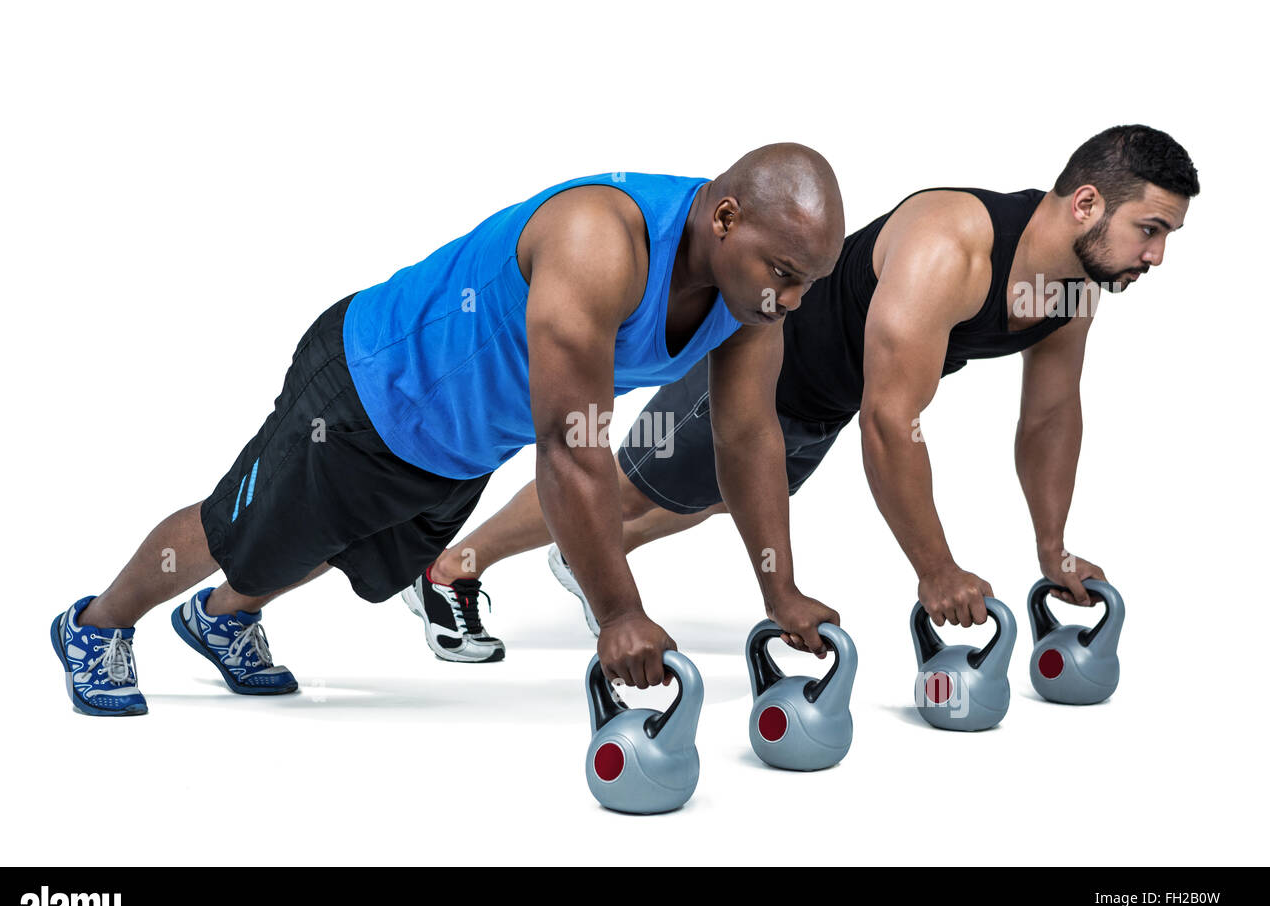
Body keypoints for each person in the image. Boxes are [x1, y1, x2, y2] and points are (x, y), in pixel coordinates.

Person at [51, 144, 846, 716]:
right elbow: (574, 448)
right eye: (783, 273)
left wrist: (781, 592)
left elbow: (748, 440)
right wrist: (617, 614)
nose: (794, 300)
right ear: (726, 218)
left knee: (334, 542)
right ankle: (95, 625)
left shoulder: (754, 304)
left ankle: (221, 619)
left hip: (460, 443)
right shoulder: (600, 241)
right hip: (370, 387)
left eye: (809, 283)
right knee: (238, 527)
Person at [433, 125, 1198, 651]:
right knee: (627, 487)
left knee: (694, 501)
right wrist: (936, 570)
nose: (1157, 257)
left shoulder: (1072, 290)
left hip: (816, 414)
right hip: (757, 372)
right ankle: (452, 568)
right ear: (1088, 204)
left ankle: (585, 557)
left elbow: (1051, 418)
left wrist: (1053, 550)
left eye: (1167, 237)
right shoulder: (952, 245)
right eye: (1151, 229)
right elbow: (892, 421)